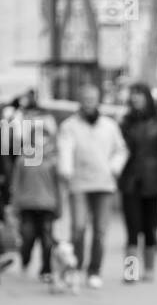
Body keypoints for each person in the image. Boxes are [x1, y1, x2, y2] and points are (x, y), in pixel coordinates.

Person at [57, 83, 128, 289]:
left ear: (98, 100)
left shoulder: (109, 125)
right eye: (85, 99)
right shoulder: (69, 125)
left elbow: (120, 150)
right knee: (78, 228)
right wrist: (66, 170)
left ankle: (94, 270)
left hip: (104, 183)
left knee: (100, 230)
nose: (89, 102)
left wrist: (114, 168)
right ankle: (75, 267)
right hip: (79, 183)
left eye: (92, 98)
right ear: (79, 100)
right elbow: (65, 149)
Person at [119, 84, 157, 282]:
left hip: (153, 179)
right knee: (132, 228)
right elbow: (118, 150)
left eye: (139, 96)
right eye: (133, 96)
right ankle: (131, 271)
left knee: (151, 227)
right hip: (130, 179)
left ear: (147, 99)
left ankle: (150, 268)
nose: (135, 99)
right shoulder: (125, 123)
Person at [11, 94, 60, 280]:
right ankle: (25, 259)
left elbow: (58, 187)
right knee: (28, 238)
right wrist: (13, 206)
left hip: (47, 205)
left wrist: (59, 207)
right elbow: (16, 184)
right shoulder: (23, 160)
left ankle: (46, 270)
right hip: (27, 205)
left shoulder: (53, 161)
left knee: (48, 241)